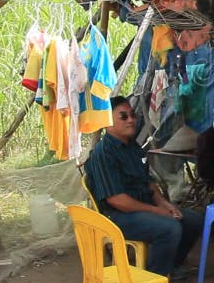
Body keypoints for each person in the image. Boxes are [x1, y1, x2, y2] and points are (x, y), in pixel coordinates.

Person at [85, 96, 203, 279]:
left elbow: (148, 182)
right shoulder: (103, 153)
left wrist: (164, 204)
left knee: (193, 221)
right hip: (116, 216)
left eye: (132, 115)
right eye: (123, 117)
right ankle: (154, 276)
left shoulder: (133, 146)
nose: (131, 120)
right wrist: (156, 211)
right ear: (107, 121)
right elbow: (118, 201)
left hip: (140, 208)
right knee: (169, 227)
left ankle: (169, 266)